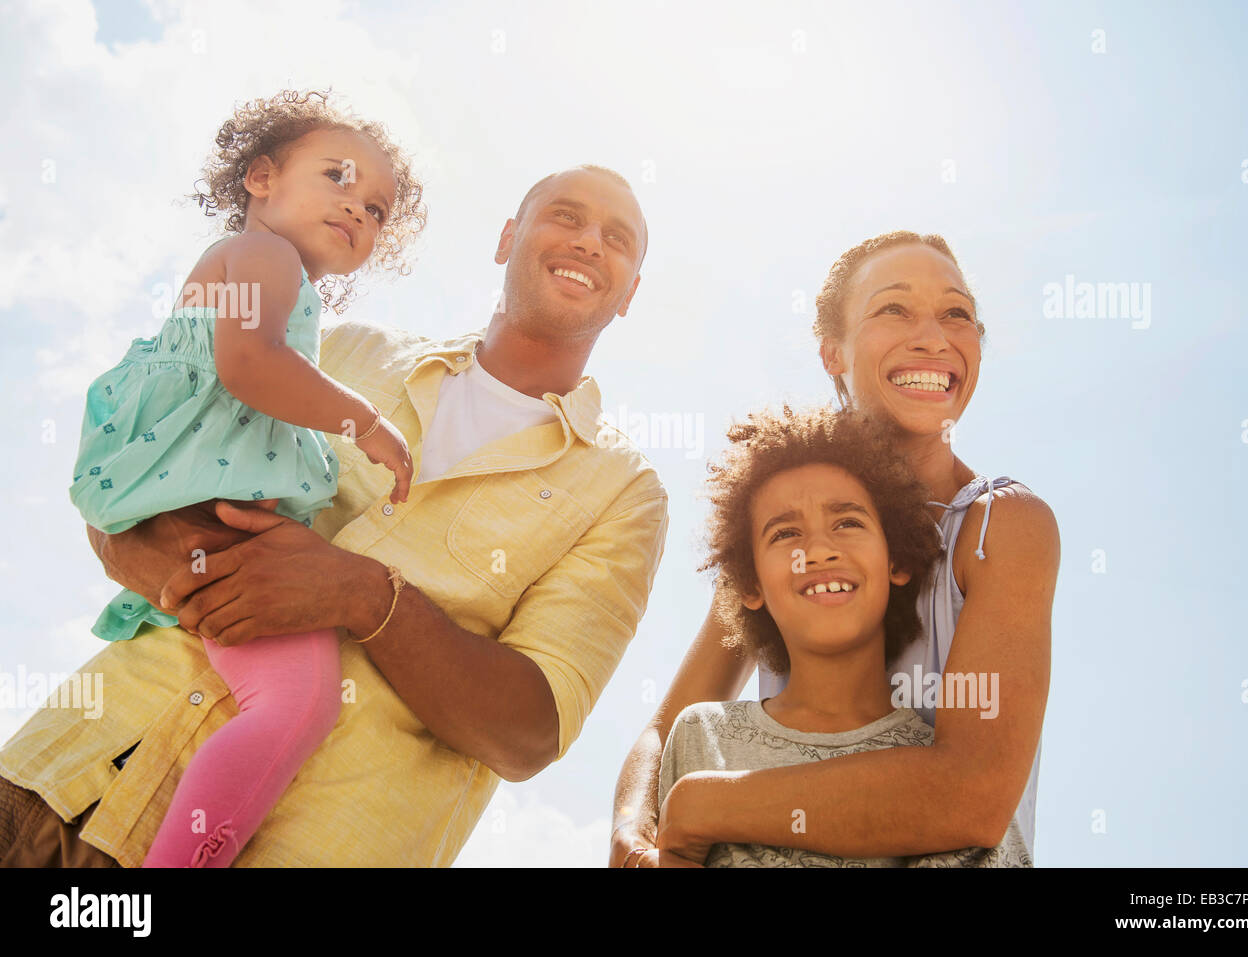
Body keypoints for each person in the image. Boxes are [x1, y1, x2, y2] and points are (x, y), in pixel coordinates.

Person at [0, 161, 667, 868]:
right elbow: (135, 480)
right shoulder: (342, 351)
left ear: (630, 292)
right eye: (565, 216)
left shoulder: (623, 490)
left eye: (617, 237)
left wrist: (361, 593)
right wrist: (187, 563)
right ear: (508, 237)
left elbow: (529, 731)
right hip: (68, 777)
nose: (590, 241)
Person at [612, 231, 1058, 867]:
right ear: (833, 353)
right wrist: (631, 829)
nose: (933, 337)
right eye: (894, 309)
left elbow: (972, 796)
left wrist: (706, 807)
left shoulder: (1001, 526)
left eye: (957, 313)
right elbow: (666, 729)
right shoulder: (789, 540)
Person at [66, 89, 422, 868]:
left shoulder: (280, 276)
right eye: (337, 176)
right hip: (207, 511)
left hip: (190, 512)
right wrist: (362, 421)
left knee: (291, 697)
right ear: (261, 178)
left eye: (377, 208)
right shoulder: (265, 256)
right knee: (299, 704)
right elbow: (248, 361)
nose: (358, 208)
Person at [652, 406, 1031, 867]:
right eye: (785, 532)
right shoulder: (701, 736)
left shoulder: (943, 793)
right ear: (750, 586)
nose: (819, 550)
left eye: (848, 523)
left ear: (897, 562)